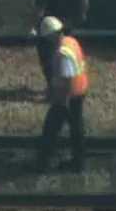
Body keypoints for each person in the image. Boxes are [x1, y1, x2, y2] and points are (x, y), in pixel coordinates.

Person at [36, 16, 89, 172]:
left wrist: (60, 101)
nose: (46, 43)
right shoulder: (70, 41)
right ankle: (78, 163)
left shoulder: (62, 53)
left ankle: (45, 162)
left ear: (51, 36)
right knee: (76, 128)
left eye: (47, 39)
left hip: (67, 96)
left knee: (51, 128)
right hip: (79, 91)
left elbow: (66, 78)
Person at [34, 0, 89, 83]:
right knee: (69, 54)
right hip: (71, 23)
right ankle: (70, 84)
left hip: (51, 24)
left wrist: (36, 23)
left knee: (48, 56)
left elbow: (41, 2)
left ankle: (53, 85)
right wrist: (82, 15)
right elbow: (84, 0)